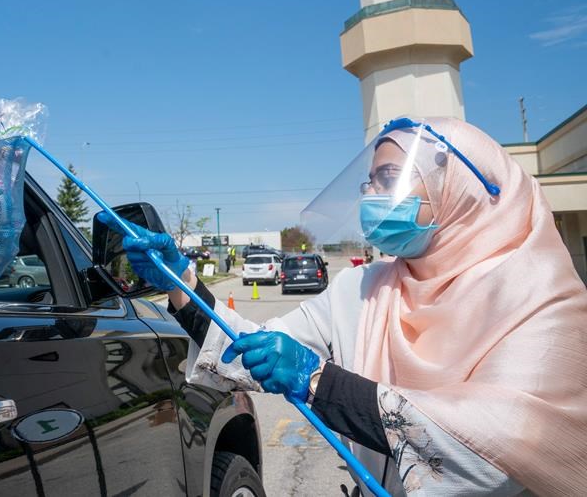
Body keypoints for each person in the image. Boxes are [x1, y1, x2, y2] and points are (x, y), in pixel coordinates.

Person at [104, 117, 587, 496]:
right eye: (369, 183)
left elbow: (504, 446)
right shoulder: (365, 286)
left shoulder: (541, 299)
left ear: (457, 189)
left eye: (389, 179)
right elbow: (251, 349)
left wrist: (319, 381)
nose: (371, 196)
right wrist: (181, 284)